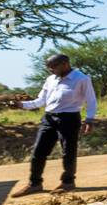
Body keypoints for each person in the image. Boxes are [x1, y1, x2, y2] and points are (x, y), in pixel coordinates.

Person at [7, 54, 97, 197]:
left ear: (65, 64)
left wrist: (89, 120)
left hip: (69, 118)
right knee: (38, 152)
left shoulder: (81, 79)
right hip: (49, 118)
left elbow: (91, 101)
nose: (50, 69)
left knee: (68, 152)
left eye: (53, 66)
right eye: (49, 67)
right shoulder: (50, 79)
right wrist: (20, 105)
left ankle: (68, 182)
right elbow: (40, 101)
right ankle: (34, 183)